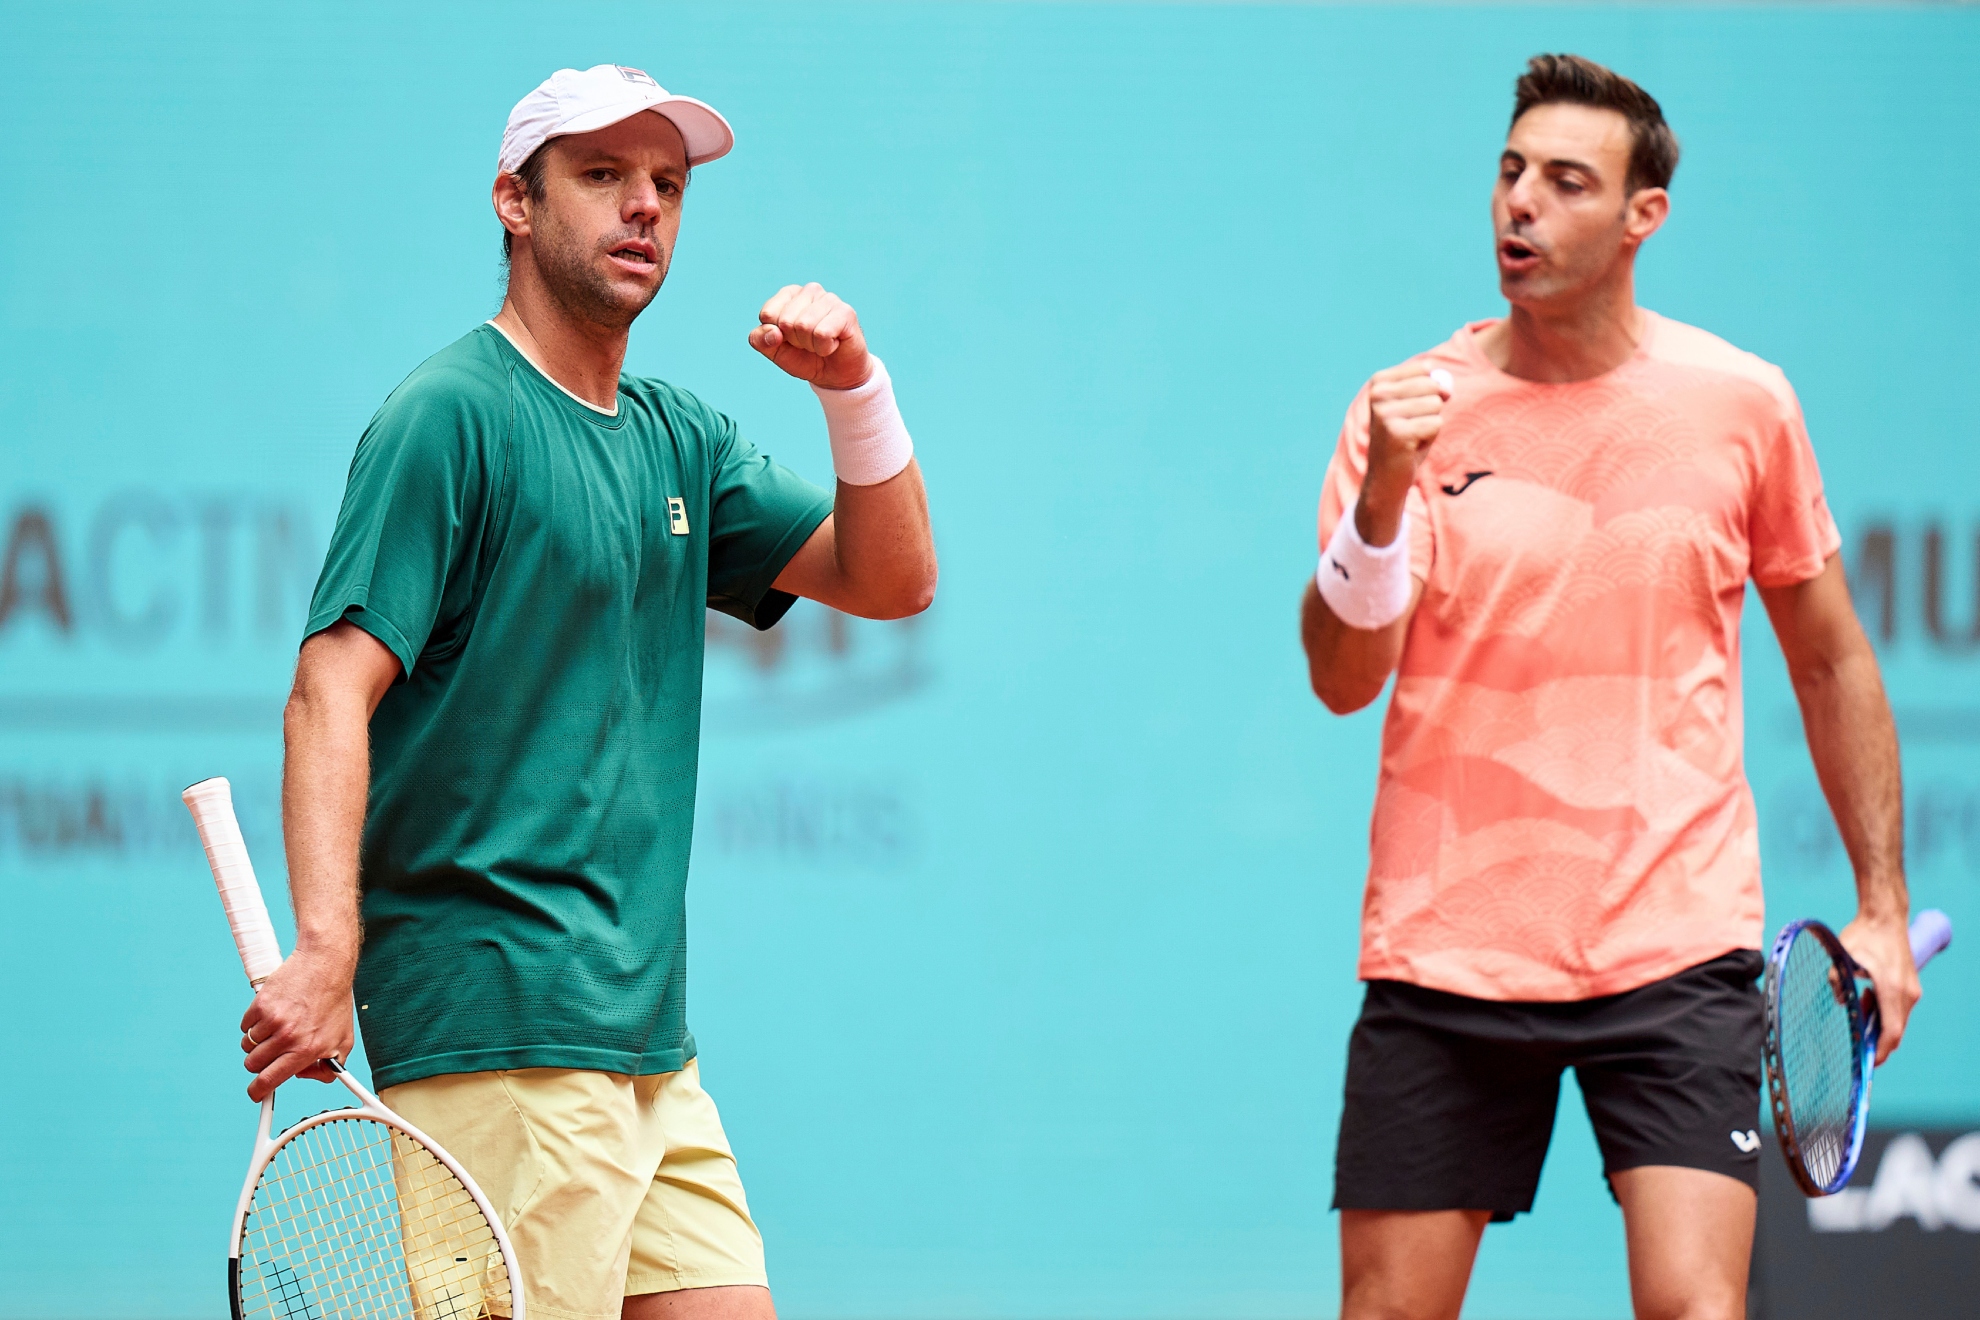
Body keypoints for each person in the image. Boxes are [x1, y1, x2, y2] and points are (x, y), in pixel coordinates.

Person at [237, 63, 936, 1320]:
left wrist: (854, 392)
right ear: (515, 200)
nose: (644, 210)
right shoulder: (448, 417)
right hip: (498, 1024)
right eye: (602, 177)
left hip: (649, 1046)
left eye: (665, 186)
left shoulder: (681, 438)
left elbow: (894, 581)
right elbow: (327, 688)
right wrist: (329, 949)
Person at [1299, 53, 1917, 1320]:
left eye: (1567, 182)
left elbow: (1832, 652)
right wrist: (1378, 498)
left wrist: (1882, 909)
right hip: (1447, 949)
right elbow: (1342, 674)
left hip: (1675, 940)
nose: (1520, 204)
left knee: (1697, 1306)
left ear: (1645, 216)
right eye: (1510, 171)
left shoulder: (1742, 405)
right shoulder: (1409, 411)